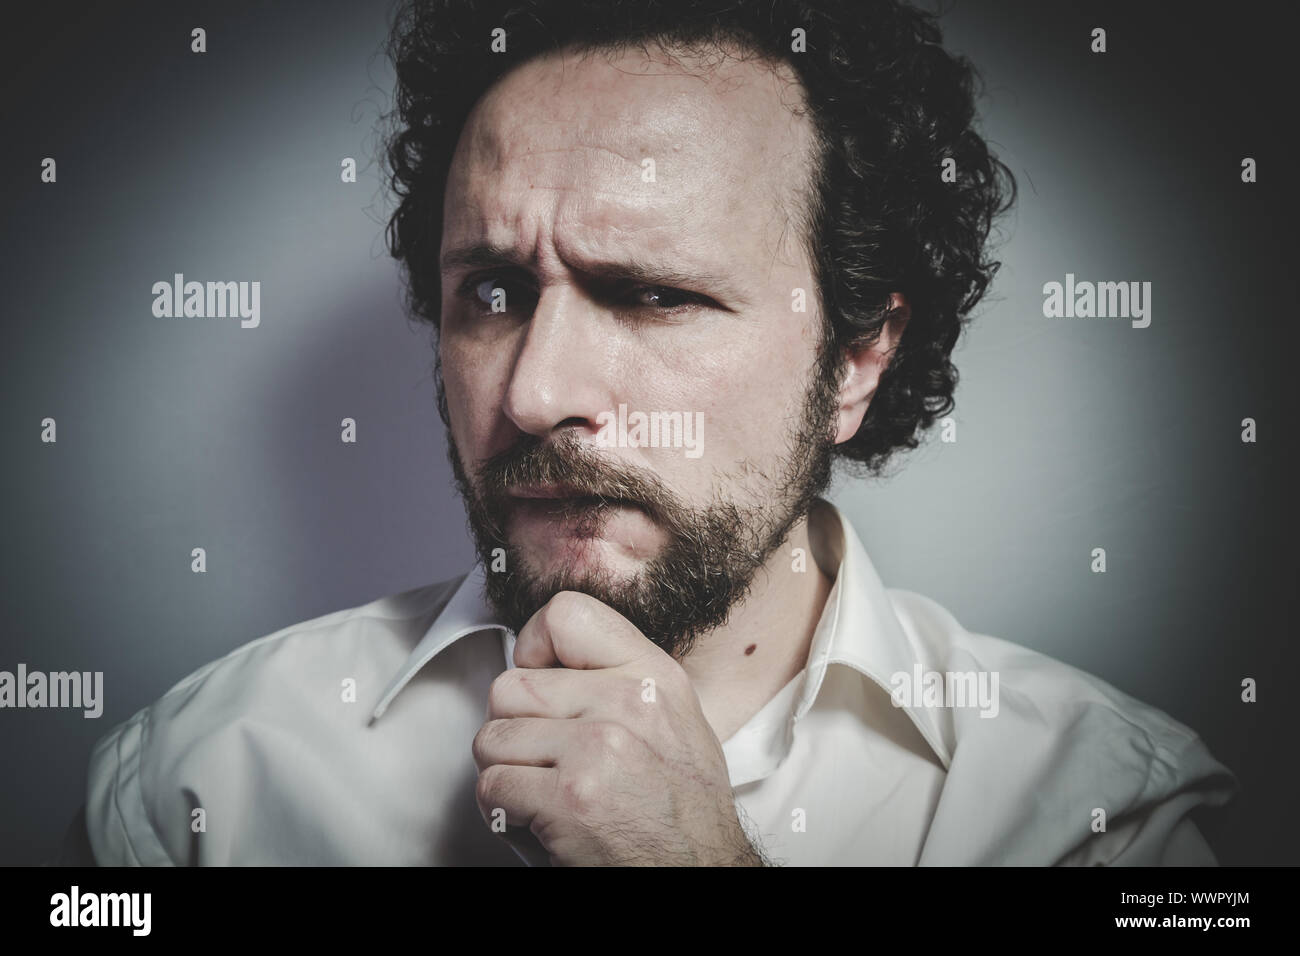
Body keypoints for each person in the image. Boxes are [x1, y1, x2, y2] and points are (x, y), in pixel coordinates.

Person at [67, 0, 1236, 866]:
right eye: (493, 292)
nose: (533, 393)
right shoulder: (199, 782)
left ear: (857, 354)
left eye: (652, 293)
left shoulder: (1100, 815)